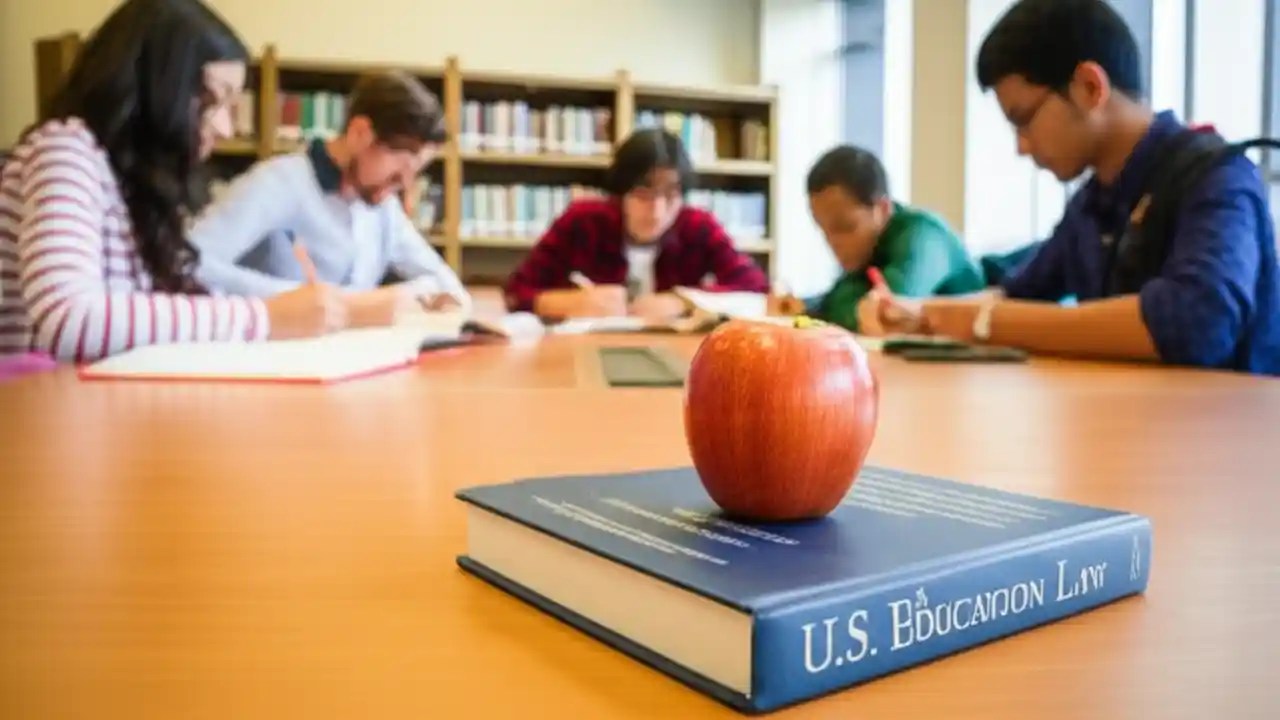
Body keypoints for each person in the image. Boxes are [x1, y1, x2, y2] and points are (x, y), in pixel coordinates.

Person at [863, 0, 1280, 375]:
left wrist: (982, 321)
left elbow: (1198, 322)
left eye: (1024, 119)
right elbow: (1016, 293)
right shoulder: (1091, 203)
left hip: (1226, 444)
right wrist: (919, 314)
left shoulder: (1217, 176)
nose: (1021, 147)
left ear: (1089, 87)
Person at [0, 0, 344, 363]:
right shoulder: (66, 149)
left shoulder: (132, 185)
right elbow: (70, 319)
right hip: (37, 410)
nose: (226, 128)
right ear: (159, 87)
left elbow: (158, 314)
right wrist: (264, 317)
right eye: (212, 99)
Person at [189, 71, 469, 326]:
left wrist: (430, 299)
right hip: (270, 361)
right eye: (399, 170)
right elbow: (190, 264)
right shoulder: (279, 182)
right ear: (360, 134)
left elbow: (447, 286)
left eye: (416, 173)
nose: (406, 185)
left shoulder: (384, 208)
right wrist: (311, 302)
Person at [502, 128, 770, 320]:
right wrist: (570, 302)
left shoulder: (698, 226)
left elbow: (755, 287)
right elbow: (517, 292)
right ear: (621, 193)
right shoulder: (583, 221)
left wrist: (682, 300)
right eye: (643, 194)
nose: (657, 211)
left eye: (671, 195)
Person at [773, 145, 985, 331]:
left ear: (882, 208)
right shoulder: (868, 250)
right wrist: (803, 307)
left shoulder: (923, 237)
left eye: (845, 227)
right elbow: (841, 296)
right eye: (823, 229)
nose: (833, 242)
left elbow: (883, 313)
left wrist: (821, 309)